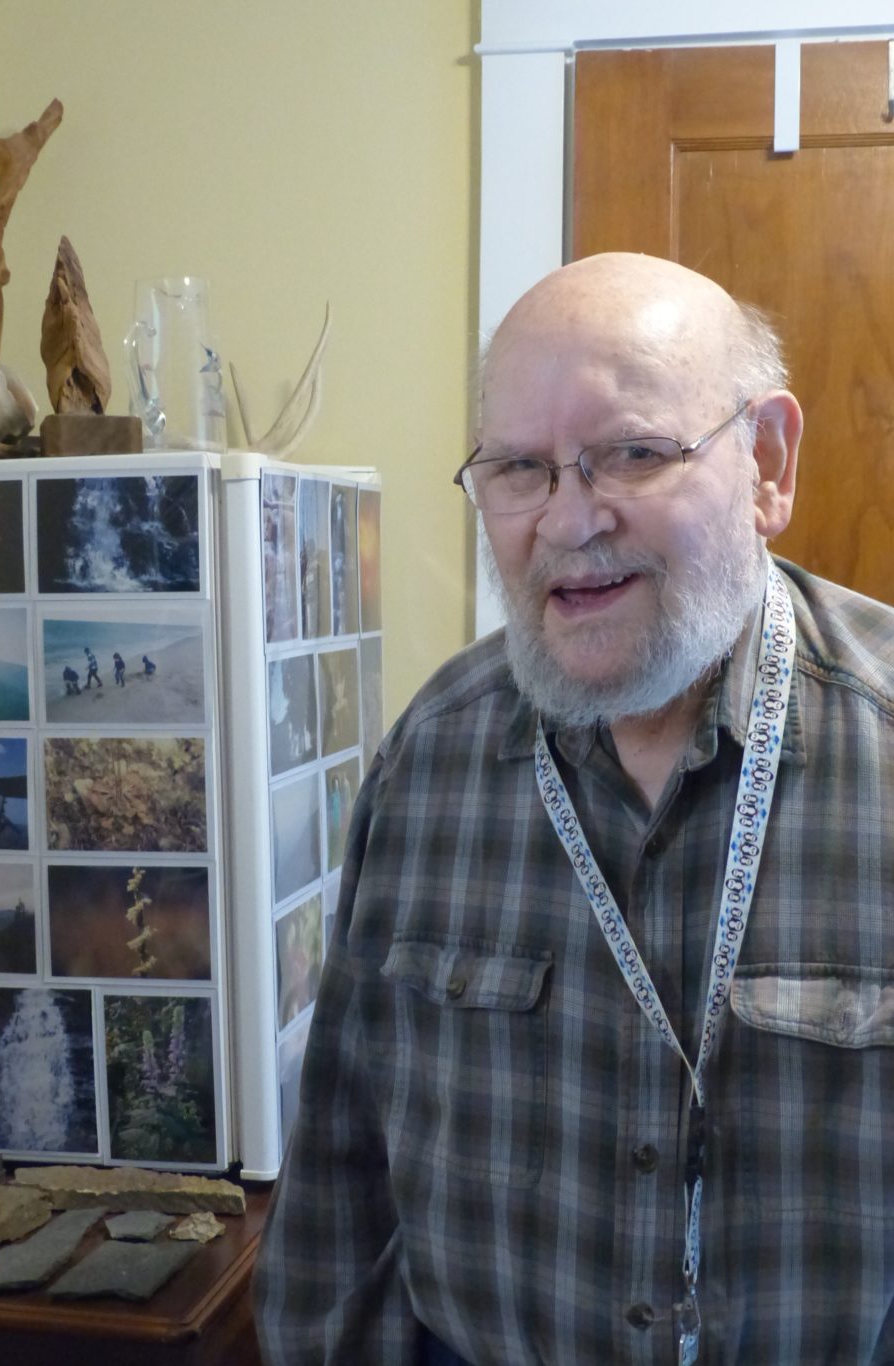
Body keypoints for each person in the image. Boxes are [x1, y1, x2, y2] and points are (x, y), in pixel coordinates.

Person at [253, 254, 894, 1365]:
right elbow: (339, 1195)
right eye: (518, 467)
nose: (567, 519)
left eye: (633, 454)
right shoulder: (429, 763)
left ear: (766, 464)